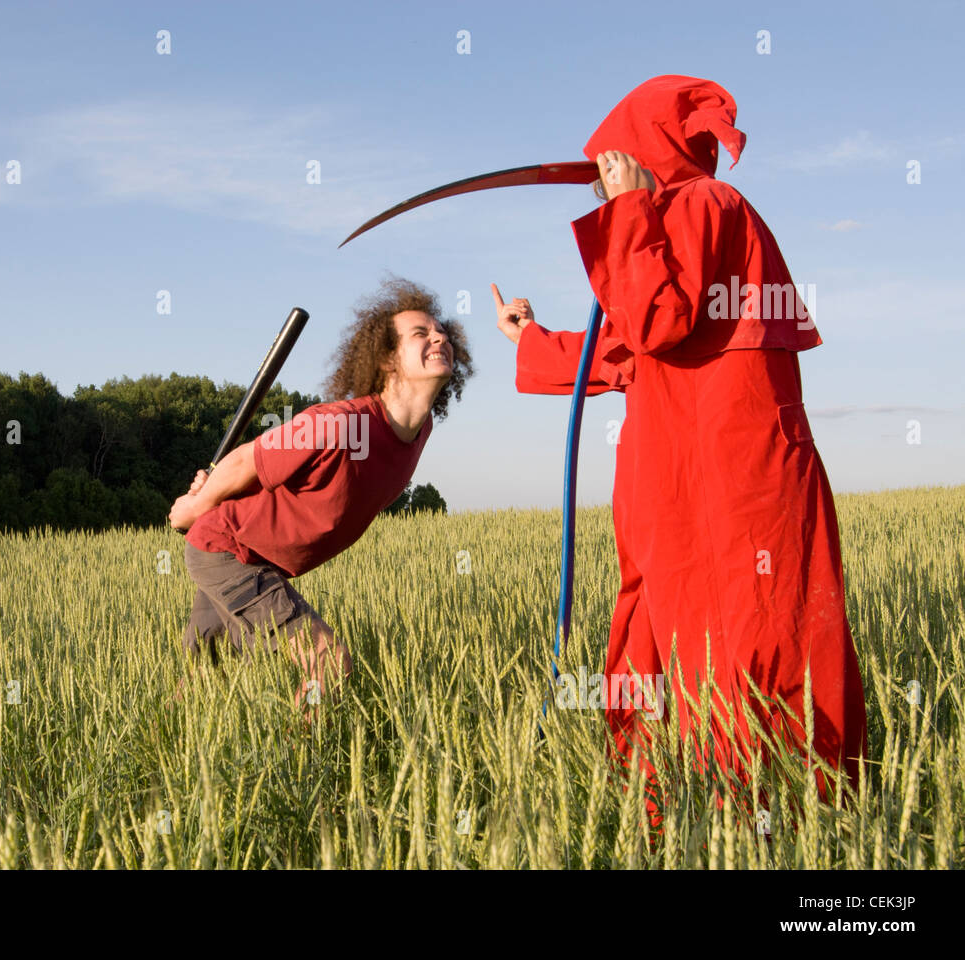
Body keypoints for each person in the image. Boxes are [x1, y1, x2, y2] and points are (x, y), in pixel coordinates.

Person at [494, 75, 867, 807]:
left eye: (612, 161)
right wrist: (531, 341)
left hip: (728, 488)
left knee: (747, 639)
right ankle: (664, 811)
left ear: (643, 149)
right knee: (660, 639)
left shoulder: (702, 204)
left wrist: (632, 210)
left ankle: (770, 819)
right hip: (679, 490)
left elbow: (657, 321)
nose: (603, 181)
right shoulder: (663, 227)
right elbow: (631, 349)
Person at [168, 278, 472, 718]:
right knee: (327, 660)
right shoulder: (339, 424)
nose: (439, 336)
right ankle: (298, 753)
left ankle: (171, 740)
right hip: (230, 552)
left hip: (249, 554)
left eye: (440, 330)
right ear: (387, 358)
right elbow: (246, 461)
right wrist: (196, 505)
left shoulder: (418, 430)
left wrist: (209, 499)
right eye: (420, 334)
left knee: (205, 676)